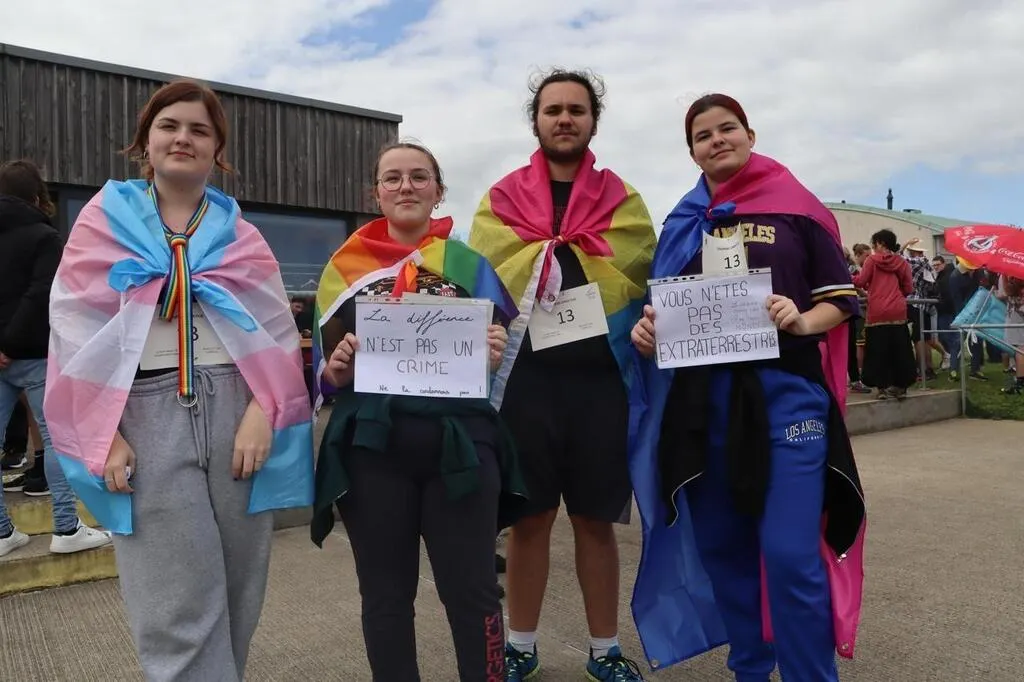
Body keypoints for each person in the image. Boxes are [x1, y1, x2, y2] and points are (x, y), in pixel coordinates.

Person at [43, 80, 314, 681]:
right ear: (146, 142)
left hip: (237, 412)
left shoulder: (240, 234)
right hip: (143, 412)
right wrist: (106, 434)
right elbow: (73, 330)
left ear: (218, 148)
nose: (183, 138)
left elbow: (274, 328)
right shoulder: (103, 222)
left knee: (241, 590)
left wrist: (263, 411)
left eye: (199, 129)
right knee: (173, 603)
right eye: (169, 126)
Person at [629, 94, 866, 681]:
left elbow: (840, 300)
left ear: (750, 135)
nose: (717, 139)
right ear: (692, 152)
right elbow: (666, 311)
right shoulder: (682, 223)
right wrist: (648, 333)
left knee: (789, 554)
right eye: (702, 135)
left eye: (727, 128)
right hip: (701, 404)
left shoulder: (798, 209)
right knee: (725, 551)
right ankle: (751, 671)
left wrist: (802, 320)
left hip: (787, 396)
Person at [309, 141, 526, 681]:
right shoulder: (343, 267)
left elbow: (497, 361)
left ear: (438, 190)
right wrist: (336, 370)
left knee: (473, 590)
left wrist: (492, 356)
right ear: (376, 193)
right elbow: (324, 373)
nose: (406, 186)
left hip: (461, 444)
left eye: (419, 176)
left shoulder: (470, 265)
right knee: (385, 594)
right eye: (393, 178)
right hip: (373, 448)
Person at [469, 68, 656, 681]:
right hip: (526, 383)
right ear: (536, 121)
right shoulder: (500, 200)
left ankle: (606, 651)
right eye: (553, 110)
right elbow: (481, 281)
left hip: (600, 383)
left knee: (596, 522)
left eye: (577, 109)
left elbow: (643, 274)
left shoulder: (623, 202)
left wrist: (571, 248)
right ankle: (520, 645)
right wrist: (546, 248)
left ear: (593, 121)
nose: (565, 119)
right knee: (529, 521)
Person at [0, 159, 113, 558]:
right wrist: (11, 344)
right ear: (37, 196)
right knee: (58, 441)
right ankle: (66, 527)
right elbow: (42, 296)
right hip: (35, 354)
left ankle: (2, 534)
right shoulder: (45, 237)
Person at [854, 229, 917, 399]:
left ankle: (881, 388)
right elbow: (909, 288)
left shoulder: (871, 261)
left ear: (880, 243)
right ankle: (901, 387)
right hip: (897, 311)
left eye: (874, 244)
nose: (873, 247)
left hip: (877, 311)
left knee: (877, 350)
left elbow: (861, 281)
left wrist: (847, 278)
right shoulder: (902, 263)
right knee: (900, 350)